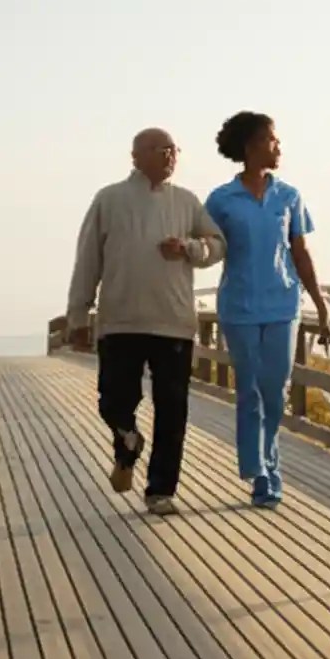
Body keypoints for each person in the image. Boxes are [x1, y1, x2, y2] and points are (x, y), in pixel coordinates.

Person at [66, 127, 225, 515]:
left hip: (172, 321)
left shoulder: (187, 202)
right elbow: (88, 259)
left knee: (173, 409)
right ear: (136, 156)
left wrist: (189, 248)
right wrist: (78, 315)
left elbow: (217, 245)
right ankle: (128, 440)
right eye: (160, 149)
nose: (170, 156)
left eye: (174, 149)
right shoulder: (109, 199)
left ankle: (160, 491)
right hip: (119, 321)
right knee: (113, 401)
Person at [204, 111, 330, 509]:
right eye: (272, 140)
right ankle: (262, 473)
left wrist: (320, 306)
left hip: (283, 305)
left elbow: (300, 253)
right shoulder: (221, 200)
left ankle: (267, 462)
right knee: (251, 391)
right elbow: (208, 248)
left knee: (275, 392)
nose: (279, 147)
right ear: (251, 146)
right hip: (239, 307)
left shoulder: (289, 196)